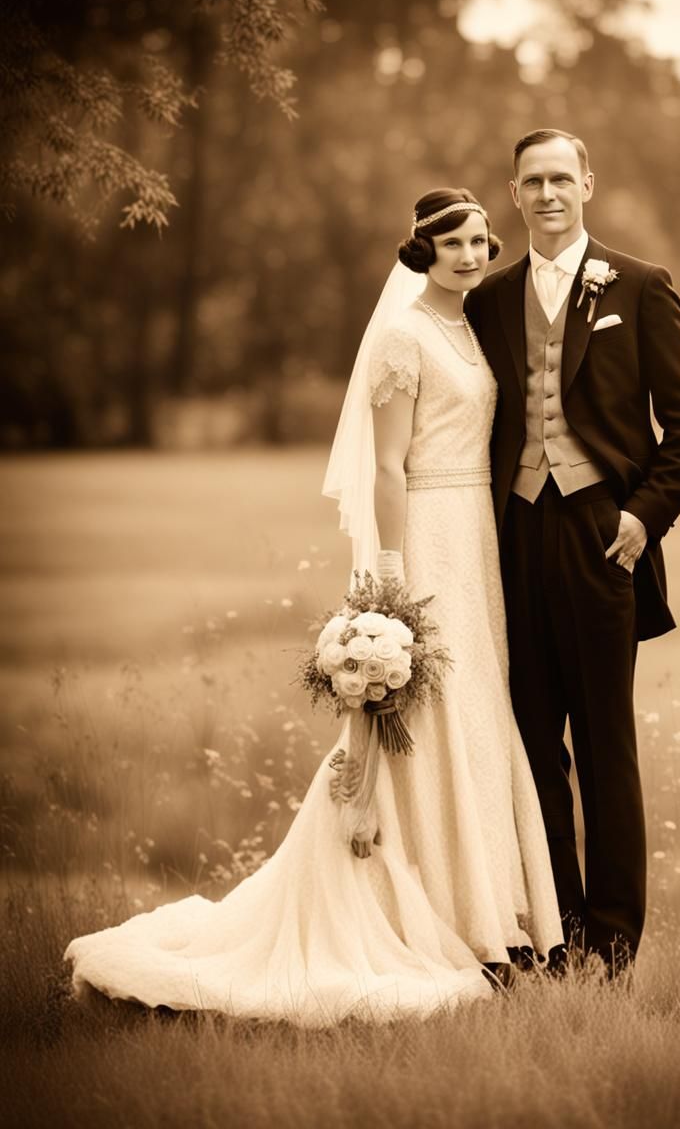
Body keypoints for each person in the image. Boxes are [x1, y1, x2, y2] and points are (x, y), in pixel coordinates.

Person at [64, 188, 564, 1025]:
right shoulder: (403, 337)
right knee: (429, 715)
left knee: (478, 712)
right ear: (423, 253)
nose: (475, 255)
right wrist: (397, 573)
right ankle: (429, 917)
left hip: (479, 533)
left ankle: (485, 917)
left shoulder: (473, 330)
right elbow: (388, 467)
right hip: (428, 531)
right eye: (456, 245)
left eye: (483, 241)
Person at [464, 129, 680, 978]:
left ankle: (611, 948)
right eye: (531, 181)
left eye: (560, 179)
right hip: (516, 535)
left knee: (605, 744)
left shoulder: (640, 287)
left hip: (604, 534)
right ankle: (555, 932)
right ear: (513, 192)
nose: (546, 194)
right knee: (532, 741)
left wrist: (646, 518)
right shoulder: (489, 299)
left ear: (587, 185)